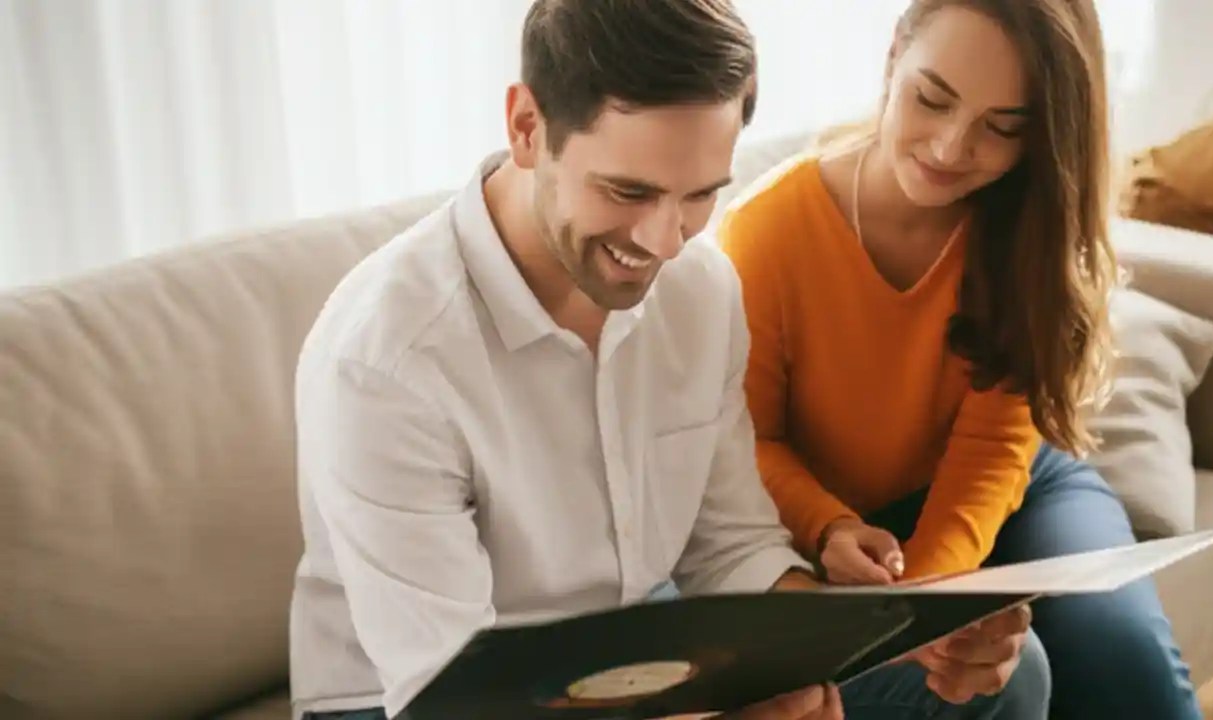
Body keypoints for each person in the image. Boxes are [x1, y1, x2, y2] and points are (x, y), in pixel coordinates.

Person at [288, 1, 1048, 719]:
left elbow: (731, 546)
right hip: (411, 698)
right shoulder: (388, 363)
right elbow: (456, 697)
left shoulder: (699, 285)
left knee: (1003, 679)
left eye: (699, 195)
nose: (664, 241)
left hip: (633, 658)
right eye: (628, 190)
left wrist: (895, 631)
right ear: (527, 125)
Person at [719, 0, 1201, 718]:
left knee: (1123, 655)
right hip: (832, 512)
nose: (949, 148)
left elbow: (993, 449)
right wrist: (828, 526)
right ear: (893, 59)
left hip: (1015, 483)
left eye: (1001, 127)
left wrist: (933, 598)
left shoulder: (1022, 233)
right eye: (931, 98)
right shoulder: (767, 233)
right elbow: (741, 441)